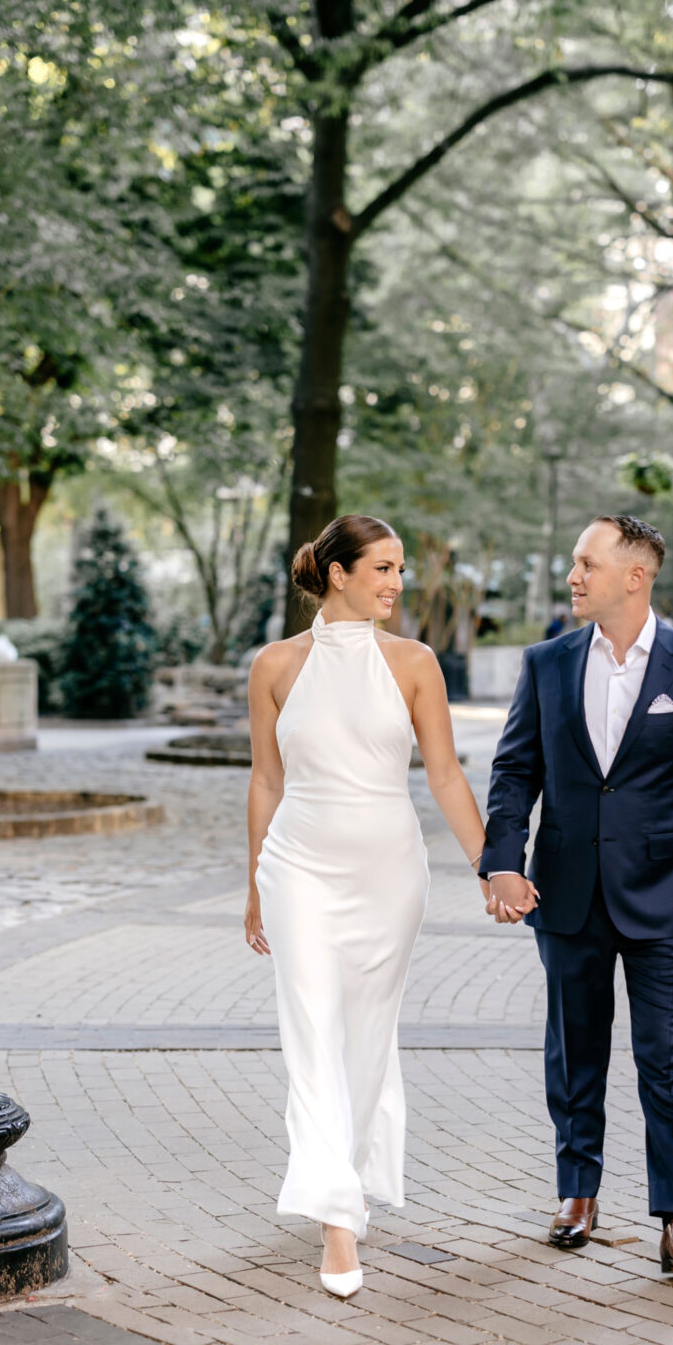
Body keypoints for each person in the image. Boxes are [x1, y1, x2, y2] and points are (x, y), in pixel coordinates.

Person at [480, 515, 673, 1273]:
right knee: (574, 1050)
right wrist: (502, 862)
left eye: (586, 563)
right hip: (566, 893)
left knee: (664, 1055)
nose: (573, 576)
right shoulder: (546, 664)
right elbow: (514, 775)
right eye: (574, 563)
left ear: (634, 576)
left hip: (667, 896)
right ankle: (578, 1192)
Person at [245, 515, 489, 1298]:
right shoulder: (276, 666)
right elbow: (266, 780)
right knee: (311, 1033)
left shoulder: (415, 664)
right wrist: (254, 883)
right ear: (338, 572)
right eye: (383, 568)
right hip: (299, 869)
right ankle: (337, 1227)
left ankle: (342, 1180)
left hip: (390, 873)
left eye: (400, 570)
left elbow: (445, 775)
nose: (396, 583)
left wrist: (493, 866)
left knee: (366, 1038)